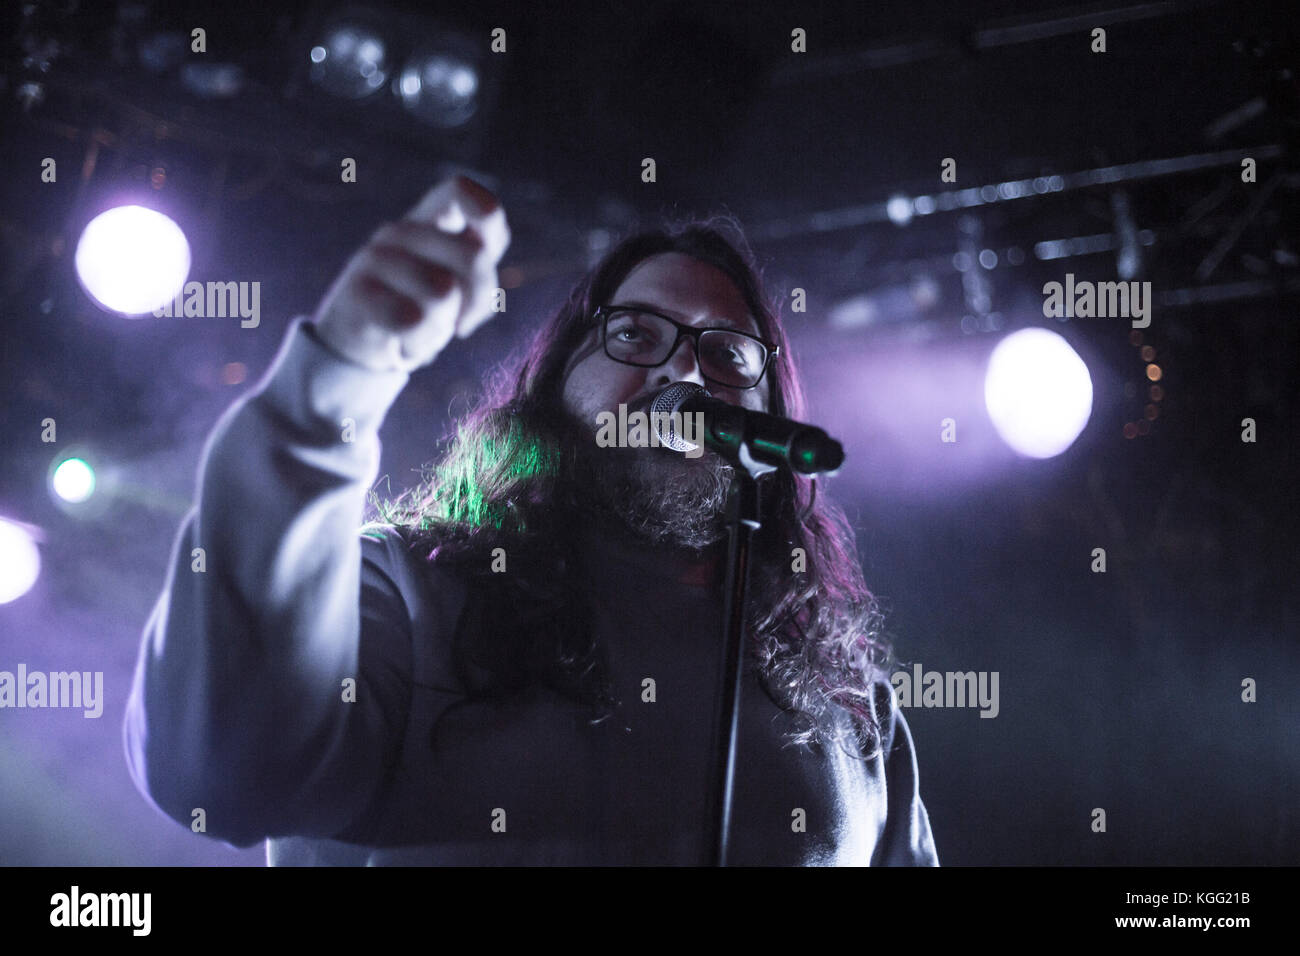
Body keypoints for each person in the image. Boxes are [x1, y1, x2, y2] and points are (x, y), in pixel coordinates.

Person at [122, 175, 940, 866]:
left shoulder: (848, 698)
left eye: (727, 354)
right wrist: (334, 380)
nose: (683, 368)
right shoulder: (406, 594)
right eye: (634, 334)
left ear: (771, 419)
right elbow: (221, 778)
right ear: (556, 384)